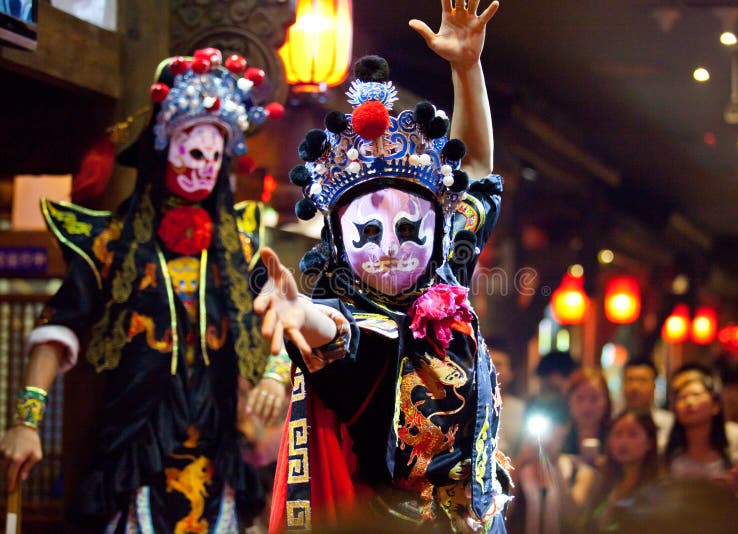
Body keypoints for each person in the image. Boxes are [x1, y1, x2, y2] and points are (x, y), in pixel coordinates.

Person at [0, 49, 290, 531]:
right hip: (133, 443)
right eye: (194, 152)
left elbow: (281, 316)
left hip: (217, 446)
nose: (204, 167)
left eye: (215, 157)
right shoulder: (116, 240)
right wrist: (27, 421)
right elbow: (58, 327)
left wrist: (276, 375)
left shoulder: (238, 246)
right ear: (163, 147)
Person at [258, 2, 507, 532]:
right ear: (340, 244)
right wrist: (297, 309)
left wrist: (466, 67)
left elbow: (477, 168)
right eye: (369, 232)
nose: (390, 244)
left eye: (408, 227)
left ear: (437, 230)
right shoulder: (355, 325)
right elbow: (331, 330)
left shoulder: (446, 278)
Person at [508, 395, 597, 533]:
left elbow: (572, 519)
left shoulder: (578, 470)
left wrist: (553, 461)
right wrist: (521, 459)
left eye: (554, 424)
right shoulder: (517, 468)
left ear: (566, 427)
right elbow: (499, 512)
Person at [591, 410, 660, 532]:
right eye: (617, 434)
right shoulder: (605, 483)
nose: (623, 442)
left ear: (649, 442)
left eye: (633, 434)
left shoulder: (658, 488)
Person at [667, 372, 732, 479]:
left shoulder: (731, 451)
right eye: (682, 398)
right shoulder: (669, 459)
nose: (689, 402)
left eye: (696, 395)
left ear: (715, 405)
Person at [620, 356, 674, 453]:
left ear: (654, 386)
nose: (635, 387)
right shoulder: (615, 423)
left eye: (642, 381)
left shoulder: (669, 423)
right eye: (630, 380)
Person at [563, 367, 612, 467]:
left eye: (594, 398)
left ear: (606, 401)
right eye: (580, 398)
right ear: (569, 401)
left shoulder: (616, 436)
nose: (587, 406)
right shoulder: (559, 436)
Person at [486, 338, 525, 458]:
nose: (492, 370)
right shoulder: (468, 406)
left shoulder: (521, 410)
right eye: (487, 364)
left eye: (498, 365)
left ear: (511, 372)